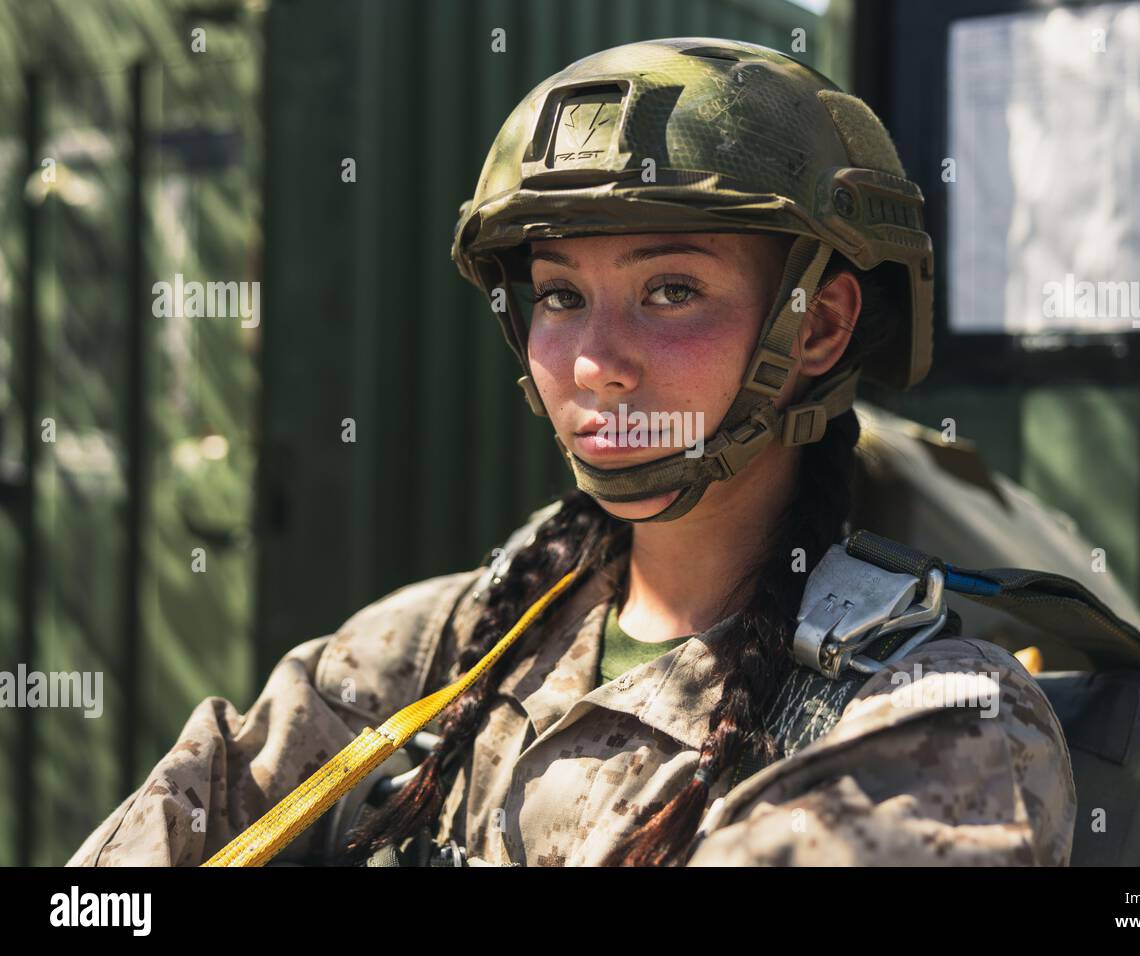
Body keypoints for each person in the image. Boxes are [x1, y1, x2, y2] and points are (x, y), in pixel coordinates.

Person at [67, 37, 1075, 867]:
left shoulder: (937, 721)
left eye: (671, 290)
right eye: (558, 294)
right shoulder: (424, 650)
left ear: (818, 326)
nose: (596, 363)